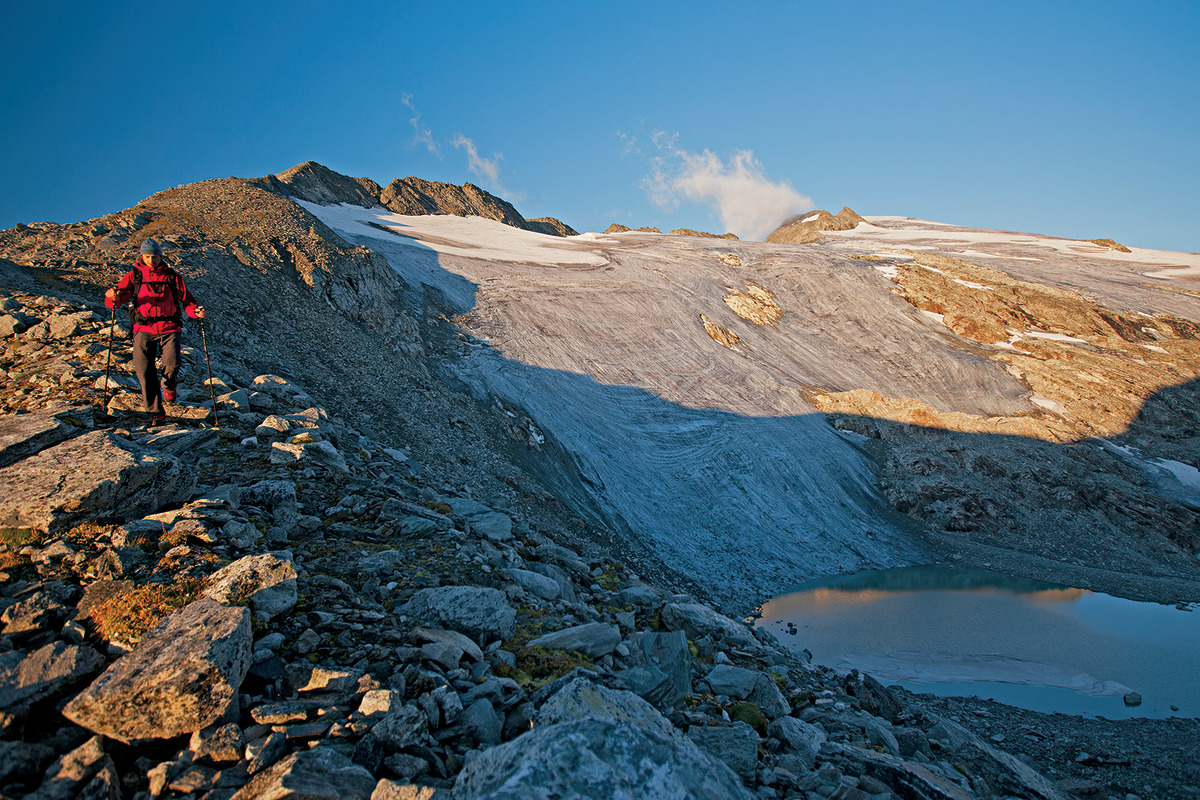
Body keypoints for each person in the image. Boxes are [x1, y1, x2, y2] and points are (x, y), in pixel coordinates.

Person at [104, 238, 206, 424]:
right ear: (142, 256)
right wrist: (111, 296)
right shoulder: (134, 276)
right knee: (144, 369)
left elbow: (187, 301)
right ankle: (155, 412)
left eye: (155, 257)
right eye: (148, 257)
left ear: (161, 257)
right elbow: (117, 299)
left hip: (169, 327)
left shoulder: (172, 276)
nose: (152, 261)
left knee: (172, 363)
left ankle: (168, 384)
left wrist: (195, 312)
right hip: (143, 328)